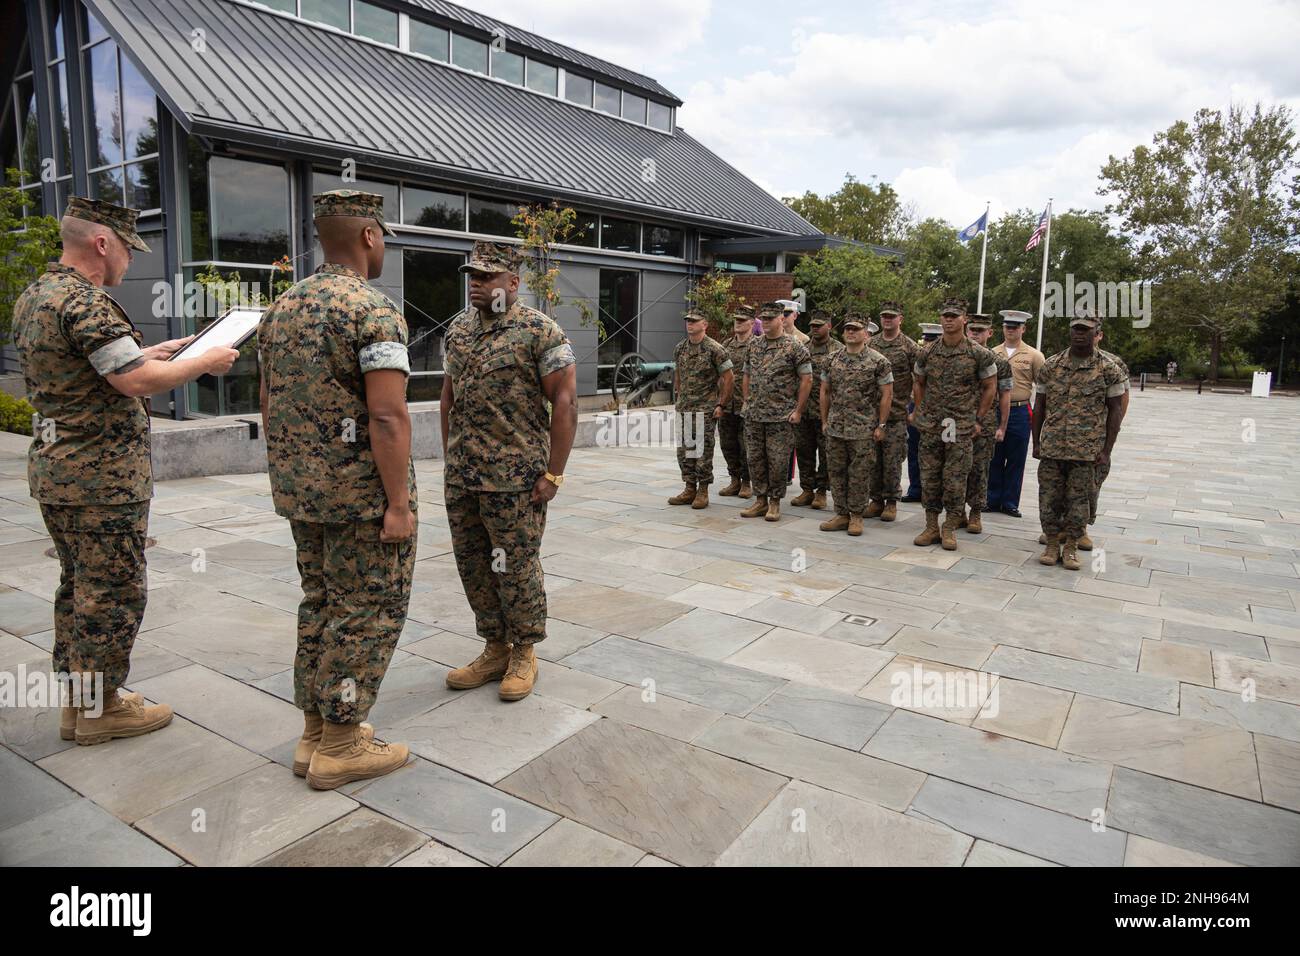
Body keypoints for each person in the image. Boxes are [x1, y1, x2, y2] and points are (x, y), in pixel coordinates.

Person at [13, 197, 238, 746]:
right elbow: (133, 383)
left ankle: (81, 701)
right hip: (101, 480)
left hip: (56, 472)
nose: (129, 263)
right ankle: (101, 709)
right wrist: (205, 361)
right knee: (112, 590)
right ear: (102, 243)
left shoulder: (36, 295)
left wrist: (154, 351)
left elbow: (101, 366)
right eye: (128, 251)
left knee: (78, 585)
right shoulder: (87, 303)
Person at [259, 189, 415, 789]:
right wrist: (397, 503)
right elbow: (387, 416)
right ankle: (343, 745)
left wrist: (294, 477)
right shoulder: (372, 310)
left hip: (304, 495)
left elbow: (270, 405)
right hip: (361, 499)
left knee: (319, 607)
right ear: (370, 236)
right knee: (366, 611)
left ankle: (314, 734)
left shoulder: (283, 307)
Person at [441, 241, 578, 701]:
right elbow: (448, 397)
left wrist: (554, 474)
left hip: (516, 479)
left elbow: (566, 402)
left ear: (513, 283)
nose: (476, 285)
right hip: (464, 477)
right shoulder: (457, 330)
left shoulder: (540, 330)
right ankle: (494, 647)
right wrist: (449, 459)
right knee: (474, 565)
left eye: (486, 277)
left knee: (515, 567)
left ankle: (524, 651)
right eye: (472, 276)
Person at [1032, 313, 1125, 571]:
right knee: (1048, 498)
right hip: (1053, 447)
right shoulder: (1051, 365)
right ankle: (1052, 544)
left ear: (1096, 332)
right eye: (1075, 329)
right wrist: (1036, 442)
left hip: (1086, 450)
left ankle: (1071, 547)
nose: (1079, 333)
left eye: (1085, 329)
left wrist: (1107, 450)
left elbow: (1115, 411)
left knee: (1079, 501)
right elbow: (1039, 406)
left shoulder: (1108, 369)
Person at [911, 299, 996, 551]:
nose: (948, 319)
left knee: (956, 478)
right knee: (930, 476)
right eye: (945, 315)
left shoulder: (978, 353)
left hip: (959, 426)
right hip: (932, 425)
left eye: (954, 316)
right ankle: (930, 525)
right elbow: (918, 381)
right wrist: (920, 410)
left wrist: (978, 418)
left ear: (964, 319)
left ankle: (949, 526)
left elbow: (990, 387)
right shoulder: (928, 351)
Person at [819, 313, 893, 536]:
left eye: (856, 329)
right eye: (848, 329)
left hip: (863, 428)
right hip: (836, 427)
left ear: (866, 334)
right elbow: (824, 391)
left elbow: (886, 395)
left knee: (860, 474)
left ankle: (857, 516)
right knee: (837, 472)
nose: (851, 332)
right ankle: (841, 514)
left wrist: (881, 425)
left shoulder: (878, 361)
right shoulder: (832, 359)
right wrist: (824, 420)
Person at [741, 301, 812, 522]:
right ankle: (760, 499)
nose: (767, 322)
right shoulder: (754, 345)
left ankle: (774, 502)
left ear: (782, 319)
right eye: (765, 319)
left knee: (778, 461)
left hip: (780, 416)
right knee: (755, 459)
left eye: (771, 318)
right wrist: (746, 401)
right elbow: (746, 374)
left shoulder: (794, 347)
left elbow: (807, 379)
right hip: (754, 414)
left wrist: (798, 410)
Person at [668, 309, 734, 509]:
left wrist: (721, 404)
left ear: (704, 324)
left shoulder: (715, 349)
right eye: (688, 320)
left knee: (702, 451)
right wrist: (678, 395)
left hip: (705, 408)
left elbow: (729, 377)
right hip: (685, 407)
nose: (690, 324)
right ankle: (689, 488)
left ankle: (703, 490)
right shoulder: (680, 348)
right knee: (685, 450)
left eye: (694, 321)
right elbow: (678, 372)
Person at [987, 310, 1043, 517]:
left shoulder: (1033, 355)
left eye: (1015, 327)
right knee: (993, 457)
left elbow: (1043, 386)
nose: (1011, 330)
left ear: (1023, 329)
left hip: (1020, 410)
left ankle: (1010, 502)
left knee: (1016, 458)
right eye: (1007, 326)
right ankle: (991, 499)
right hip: (994, 411)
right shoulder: (992, 353)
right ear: (1002, 328)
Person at [961, 314, 1012, 533]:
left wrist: (1002, 426)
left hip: (986, 424)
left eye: (980, 331)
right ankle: (957, 512)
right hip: (958, 422)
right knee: (955, 469)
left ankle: (975, 513)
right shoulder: (959, 358)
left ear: (989, 333)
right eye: (972, 329)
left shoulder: (999, 362)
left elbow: (1005, 396)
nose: (975, 334)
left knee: (979, 469)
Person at [868, 300, 917, 521]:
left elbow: (920, 379)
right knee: (873, 459)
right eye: (884, 316)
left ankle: (891, 502)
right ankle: (875, 499)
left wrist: (915, 406)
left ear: (900, 319)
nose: (887, 319)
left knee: (892, 459)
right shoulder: (871, 343)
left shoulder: (909, 346)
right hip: (871, 412)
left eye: (892, 316)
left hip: (896, 413)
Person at [790, 310, 841, 510]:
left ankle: (821, 491)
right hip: (804, 409)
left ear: (829, 326)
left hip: (826, 411)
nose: (814, 329)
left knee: (826, 453)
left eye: (819, 325)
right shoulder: (802, 348)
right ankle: (807, 489)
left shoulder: (838, 350)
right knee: (804, 451)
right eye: (812, 325)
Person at [717, 304, 754, 499]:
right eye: (736, 320)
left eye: (742, 320)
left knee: (746, 445)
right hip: (727, 404)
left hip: (747, 405)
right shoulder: (726, 345)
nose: (737, 323)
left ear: (750, 322)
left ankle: (747, 482)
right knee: (728, 443)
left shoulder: (757, 345)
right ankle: (734, 480)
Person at [902, 322, 942, 502]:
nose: (928, 344)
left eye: (933, 340)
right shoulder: (918, 358)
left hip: (938, 410)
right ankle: (916, 488)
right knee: (914, 450)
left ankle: (934, 492)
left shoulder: (945, 360)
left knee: (938, 453)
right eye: (926, 340)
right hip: (916, 407)